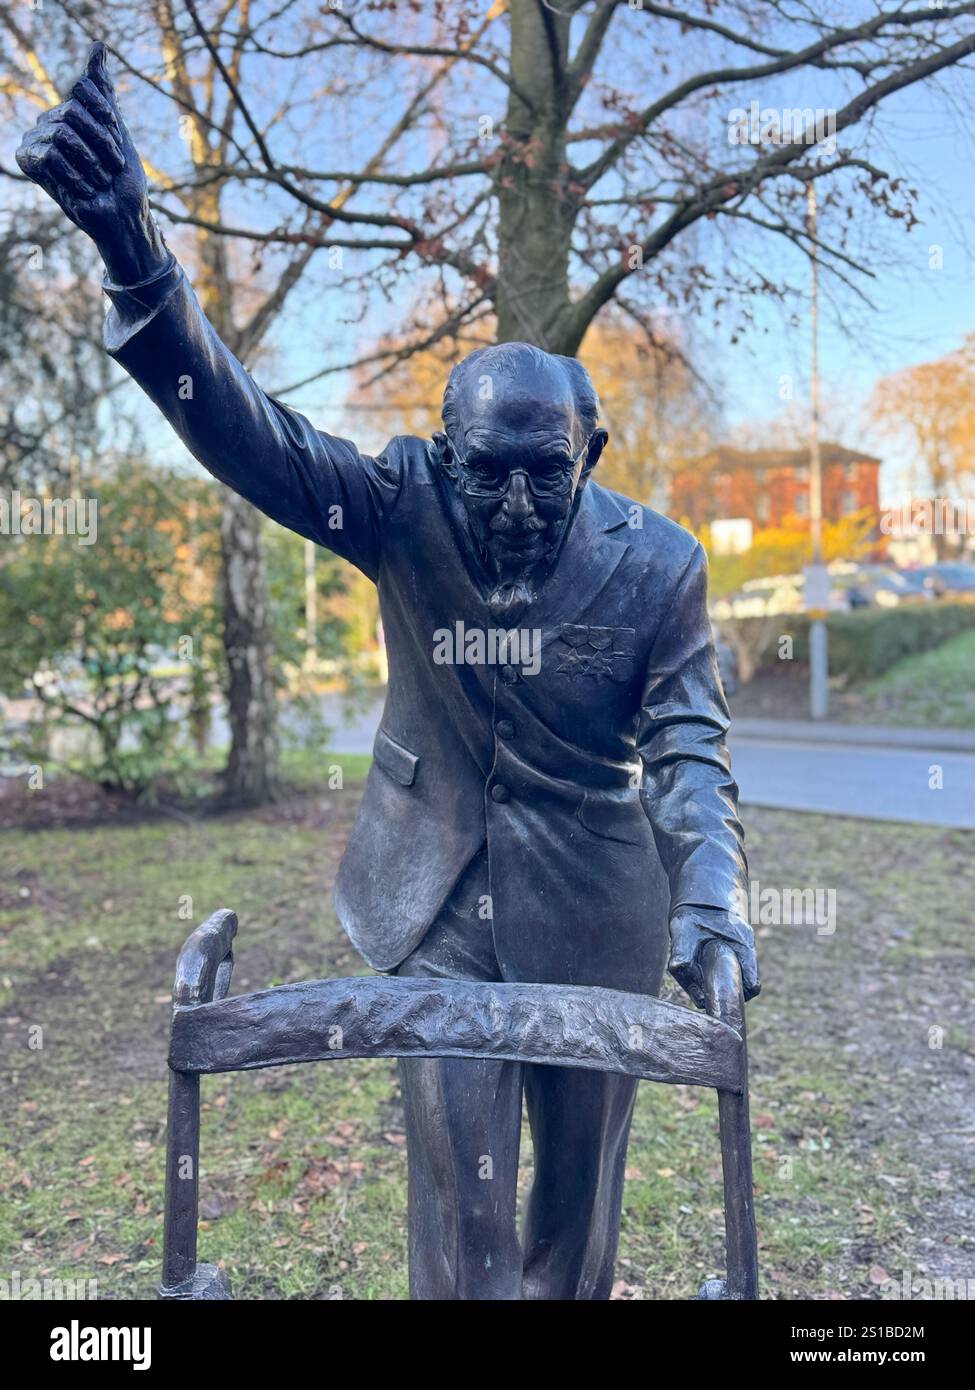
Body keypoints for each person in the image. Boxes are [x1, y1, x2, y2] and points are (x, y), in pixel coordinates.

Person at [18, 43, 760, 1301]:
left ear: (594, 450)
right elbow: (250, 434)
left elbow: (690, 745)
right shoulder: (397, 504)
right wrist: (138, 256)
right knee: (456, 1194)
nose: (518, 503)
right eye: (489, 471)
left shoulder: (664, 567)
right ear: (443, 450)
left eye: (548, 471)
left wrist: (714, 899)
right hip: (436, 905)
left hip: (599, 911)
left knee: (574, 1213)